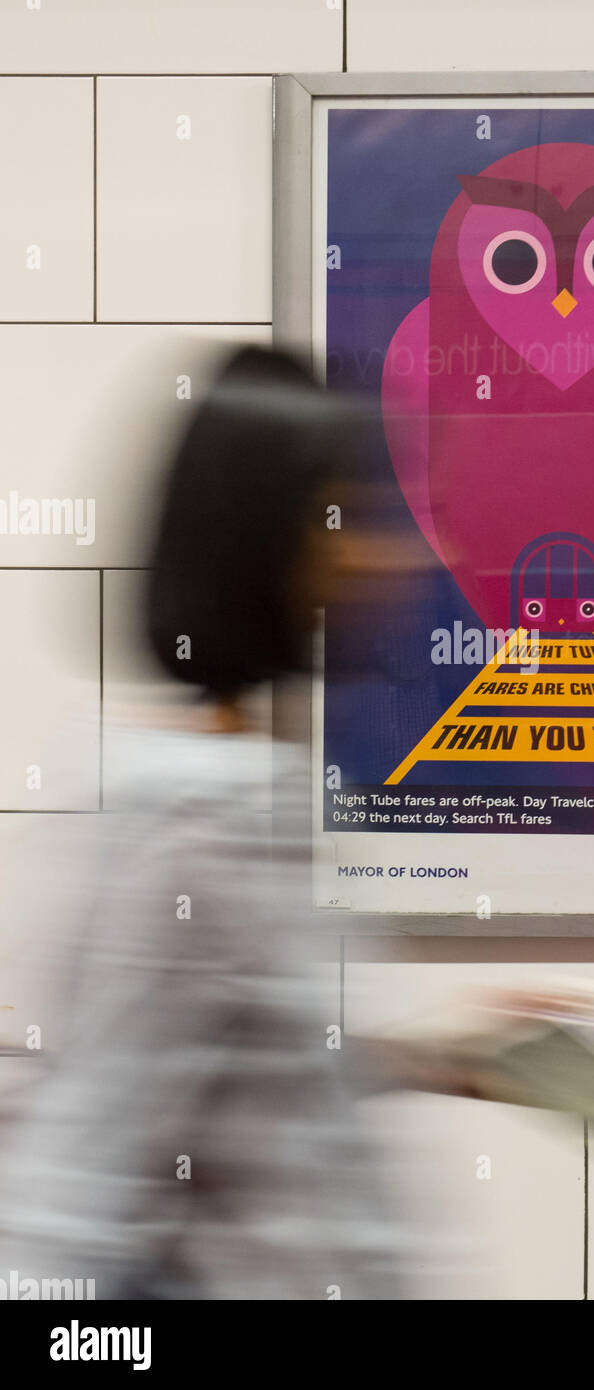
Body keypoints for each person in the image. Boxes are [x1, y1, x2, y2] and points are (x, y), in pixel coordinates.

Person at [0, 344, 461, 1300]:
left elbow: (242, 1074)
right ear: (264, 542)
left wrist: (445, 1056)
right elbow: (77, 1178)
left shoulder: (250, 794)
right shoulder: (187, 827)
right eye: (351, 516)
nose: (397, 550)